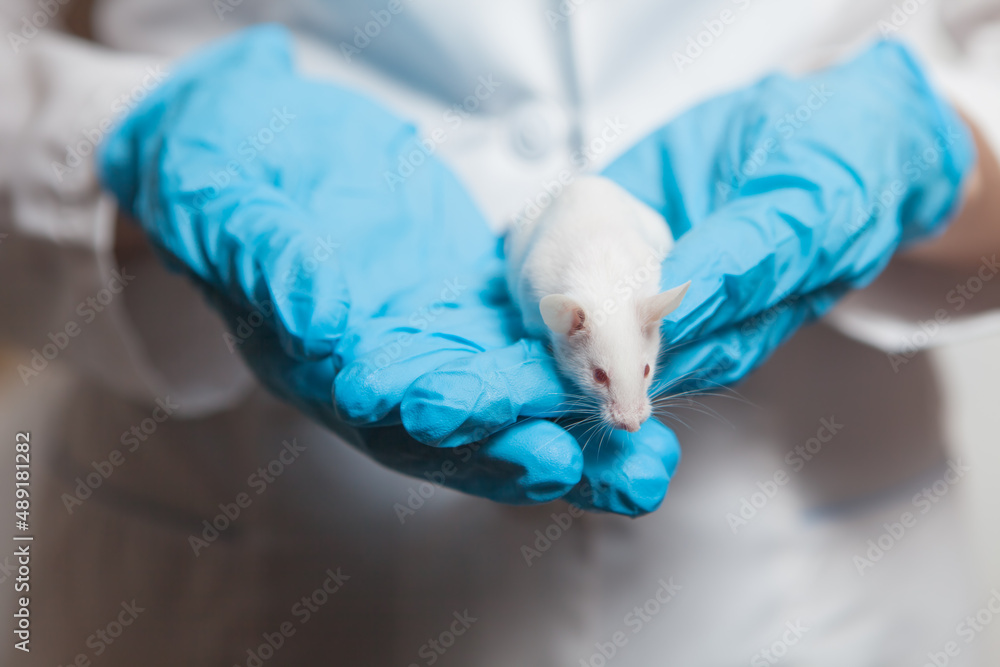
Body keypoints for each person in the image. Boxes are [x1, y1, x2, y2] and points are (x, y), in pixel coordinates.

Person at [2, 0, 1000, 664]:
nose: (630, 404)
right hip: (247, 565)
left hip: (820, 591)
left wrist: (947, 145)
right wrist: (115, 142)